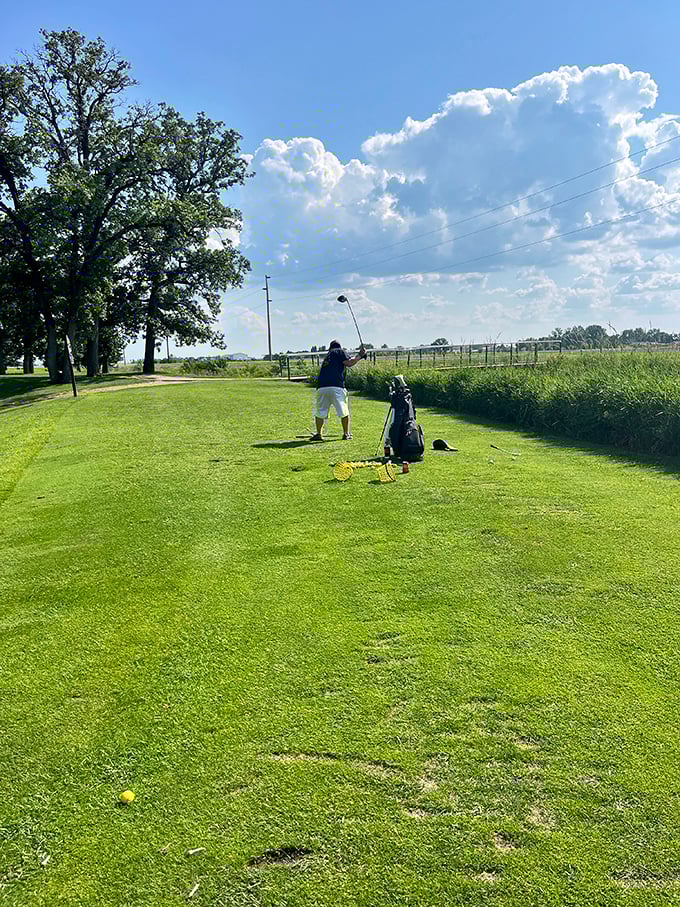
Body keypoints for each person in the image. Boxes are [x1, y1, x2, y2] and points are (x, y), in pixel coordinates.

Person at [311, 340, 366, 440]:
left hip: (321, 387)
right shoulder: (339, 351)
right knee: (344, 411)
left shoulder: (328, 356)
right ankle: (346, 434)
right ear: (339, 346)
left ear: (330, 347)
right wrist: (360, 355)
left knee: (320, 412)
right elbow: (349, 363)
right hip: (336, 386)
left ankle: (318, 434)